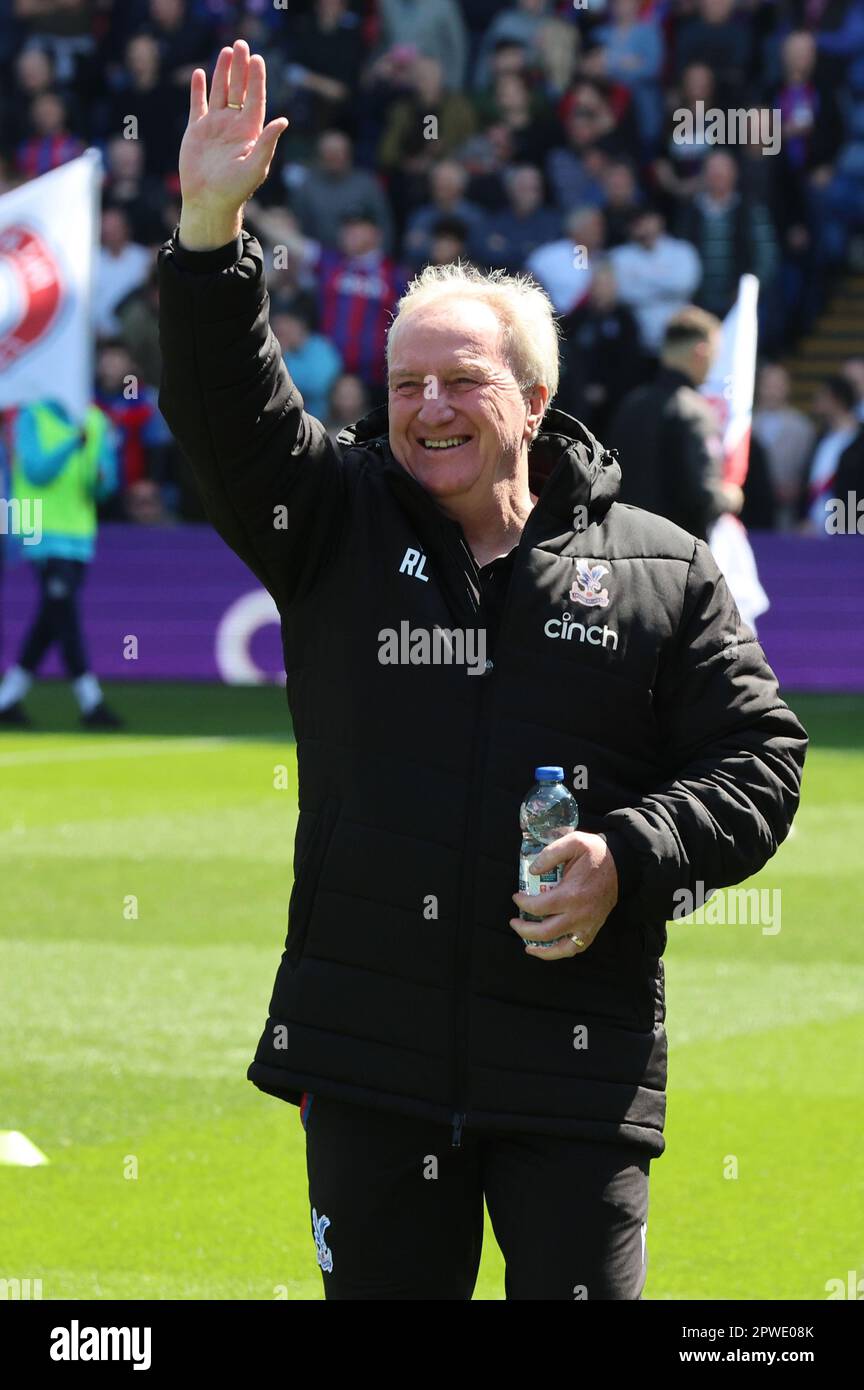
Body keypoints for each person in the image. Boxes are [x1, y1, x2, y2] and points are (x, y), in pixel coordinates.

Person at [158, 40, 807, 1300]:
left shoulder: (661, 568)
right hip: (369, 1065)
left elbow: (764, 760)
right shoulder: (333, 521)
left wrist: (634, 852)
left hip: (574, 1074)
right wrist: (205, 231)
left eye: (463, 379)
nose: (428, 406)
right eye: (407, 383)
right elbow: (225, 404)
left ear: (536, 394)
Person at [0, 397, 122, 728]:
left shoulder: (95, 420)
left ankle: (7, 699)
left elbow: (104, 485)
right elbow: (36, 471)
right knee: (63, 613)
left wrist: (100, 479)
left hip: (79, 535)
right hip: (38, 528)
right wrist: (72, 442)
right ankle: (91, 702)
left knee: (53, 616)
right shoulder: (30, 416)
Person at [608, 306, 742, 540]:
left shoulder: (630, 405)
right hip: (679, 558)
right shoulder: (695, 412)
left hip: (628, 551)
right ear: (701, 352)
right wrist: (729, 497)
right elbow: (703, 499)